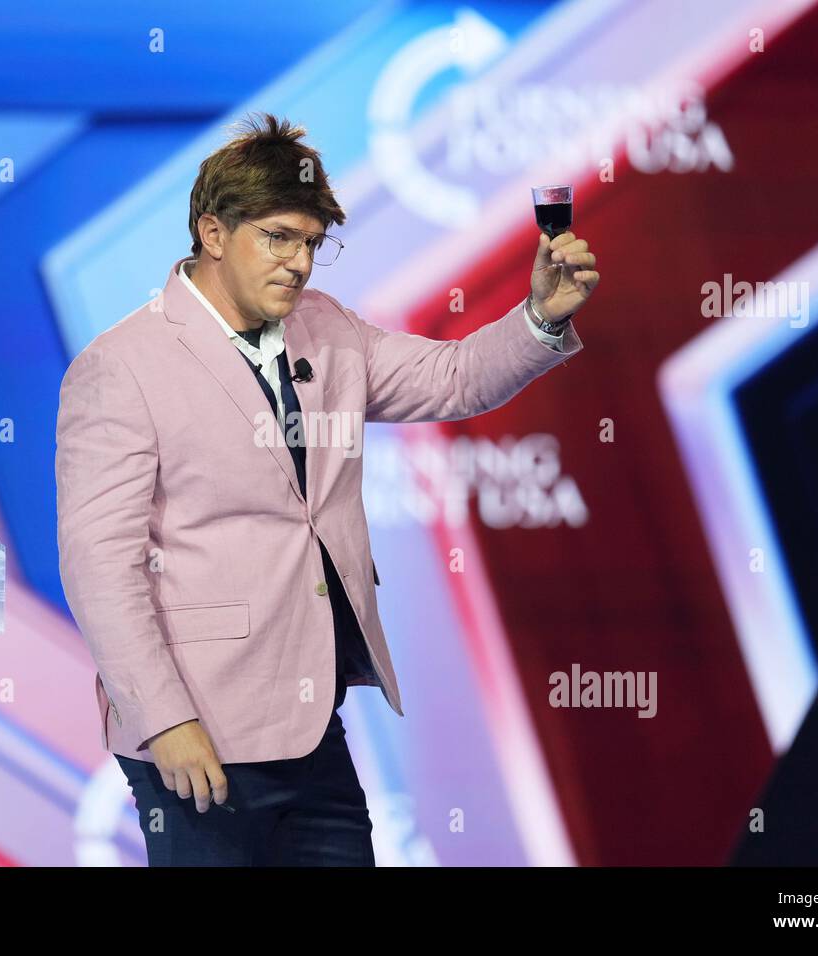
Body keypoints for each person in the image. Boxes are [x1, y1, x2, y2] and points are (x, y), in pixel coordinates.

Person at [55, 112, 598, 866]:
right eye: (278, 237)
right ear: (213, 233)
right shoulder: (123, 366)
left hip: (313, 728)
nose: (300, 263)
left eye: (312, 243)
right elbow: (98, 565)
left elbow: (454, 377)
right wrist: (163, 720)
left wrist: (539, 317)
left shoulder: (328, 331)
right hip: (199, 735)